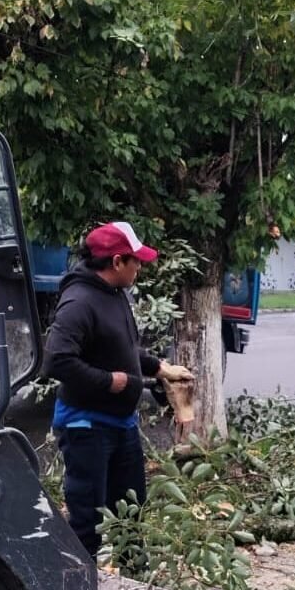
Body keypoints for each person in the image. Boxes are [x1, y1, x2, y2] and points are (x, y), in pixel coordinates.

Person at [42, 221, 193, 558]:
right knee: (88, 522)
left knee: (131, 515)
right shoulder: (79, 302)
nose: (140, 267)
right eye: (135, 261)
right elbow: (56, 361)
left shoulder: (114, 295)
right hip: (87, 427)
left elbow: (119, 349)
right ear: (116, 262)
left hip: (121, 424)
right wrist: (109, 381)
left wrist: (158, 367)